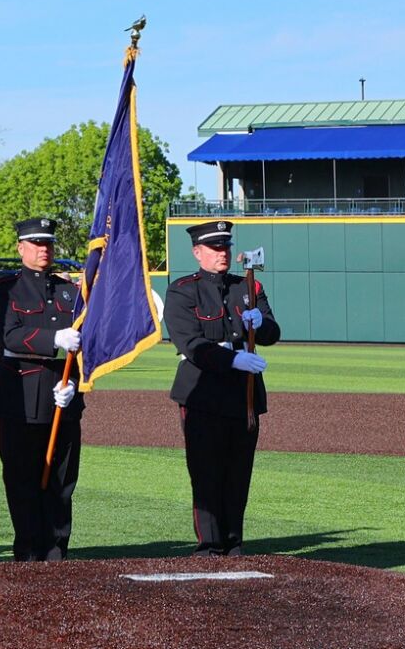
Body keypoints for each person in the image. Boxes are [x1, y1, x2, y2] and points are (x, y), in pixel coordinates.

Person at [168, 219, 280, 557]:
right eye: (216, 248)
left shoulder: (247, 287)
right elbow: (191, 343)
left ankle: (234, 543)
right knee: (206, 472)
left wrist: (261, 325)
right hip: (203, 394)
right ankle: (209, 544)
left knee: (238, 474)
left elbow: (273, 333)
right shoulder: (183, 290)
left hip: (242, 395)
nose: (223, 253)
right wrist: (231, 360)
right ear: (197, 252)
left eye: (226, 247)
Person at [0, 217, 84, 562]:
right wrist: (52, 339)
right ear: (21, 248)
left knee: (62, 481)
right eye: (35, 243)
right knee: (21, 478)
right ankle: (28, 548)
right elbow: (10, 335)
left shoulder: (69, 292)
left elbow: (85, 347)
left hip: (63, 397)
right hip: (21, 397)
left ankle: (57, 548)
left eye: (48, 243)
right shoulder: (6, 289)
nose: (43, 249)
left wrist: (74, 384)